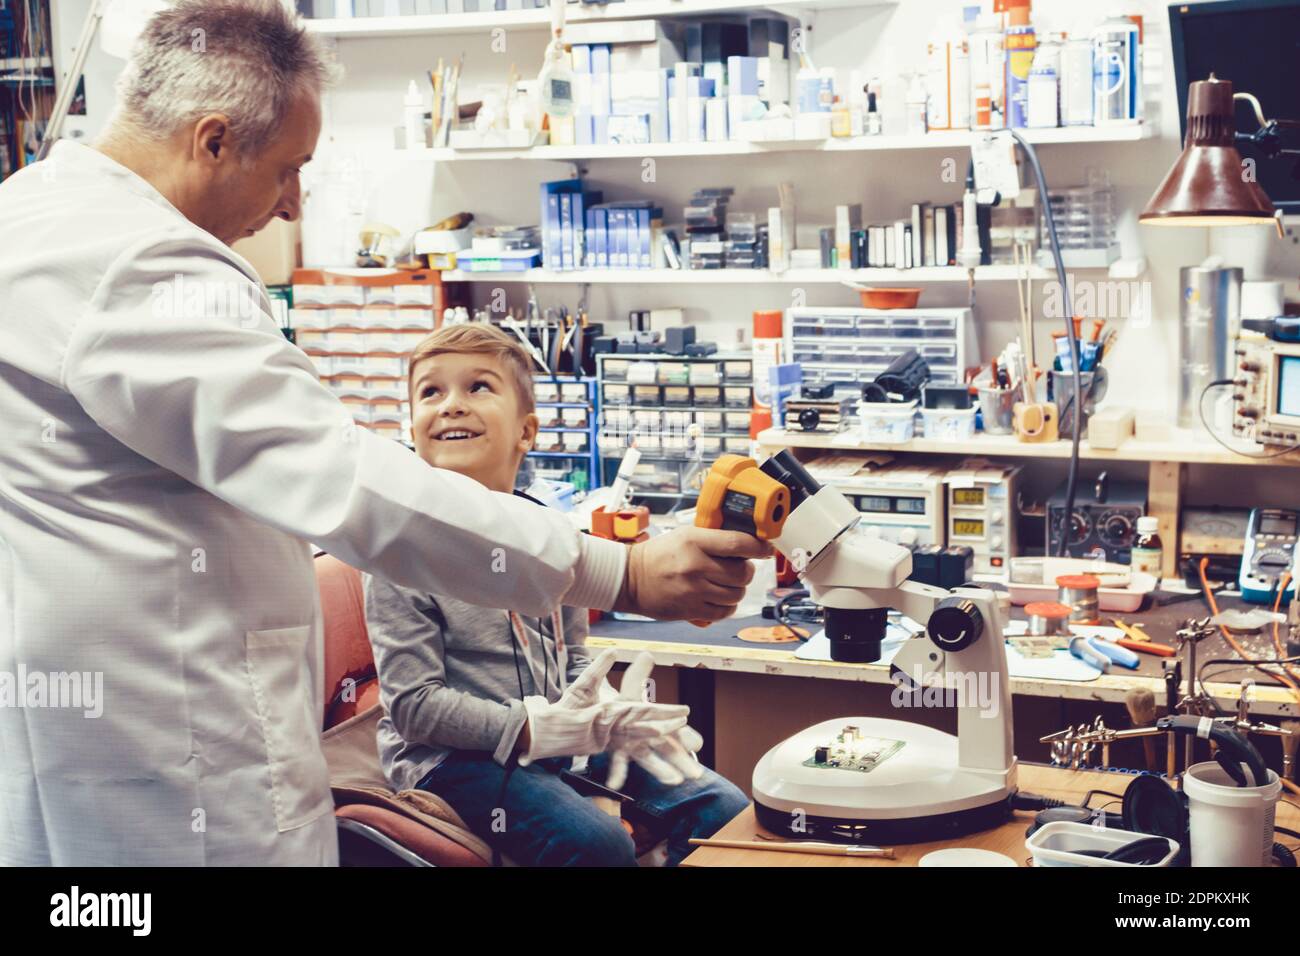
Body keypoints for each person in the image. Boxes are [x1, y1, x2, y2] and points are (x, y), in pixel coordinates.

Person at [0, 0, 766, 866]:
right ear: (213, 141)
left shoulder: (31, 219)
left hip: (104, 745)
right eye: (289, 170)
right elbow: (340, 478)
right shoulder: (136, 264)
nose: (293, 207)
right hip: (171, 770)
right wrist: (615, 567)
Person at [365, 325, 749, 866]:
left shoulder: (551, 536)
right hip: (452, 760)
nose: (451, 406)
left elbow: (572, 660)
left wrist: (601, 712)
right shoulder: (398, 551)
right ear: (412, 427)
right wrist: (529, 728)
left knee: (720, 808)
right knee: (596, 843)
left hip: (554, 738)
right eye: (431, 392)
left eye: (477, 387)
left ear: (526, 431)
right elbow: (413, 708)